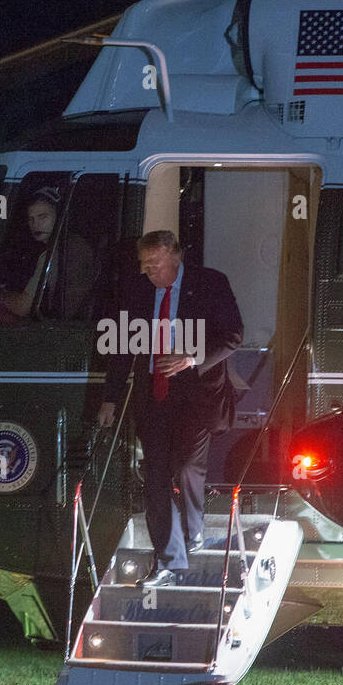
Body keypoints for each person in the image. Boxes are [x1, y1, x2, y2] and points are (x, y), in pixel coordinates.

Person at [96, 230, 243, 587]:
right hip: (154, 394)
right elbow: (121, 347)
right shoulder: (137, 290)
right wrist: (110, 399)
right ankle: (169, 560)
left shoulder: (210, 283)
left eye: (155, 264)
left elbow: (233, 335)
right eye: (144, 265)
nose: (149, 272)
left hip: (196, 391)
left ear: (175, 258)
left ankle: (193, 531)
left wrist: (192, 357)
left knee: (186, 465)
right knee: (156, 476)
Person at [0, 187, 93, 321]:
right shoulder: (77, 243)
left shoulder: (56, 253)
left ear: (61, 216)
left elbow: (23, 307)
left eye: (42, 217)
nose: (35, 224)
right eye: (31, 219)